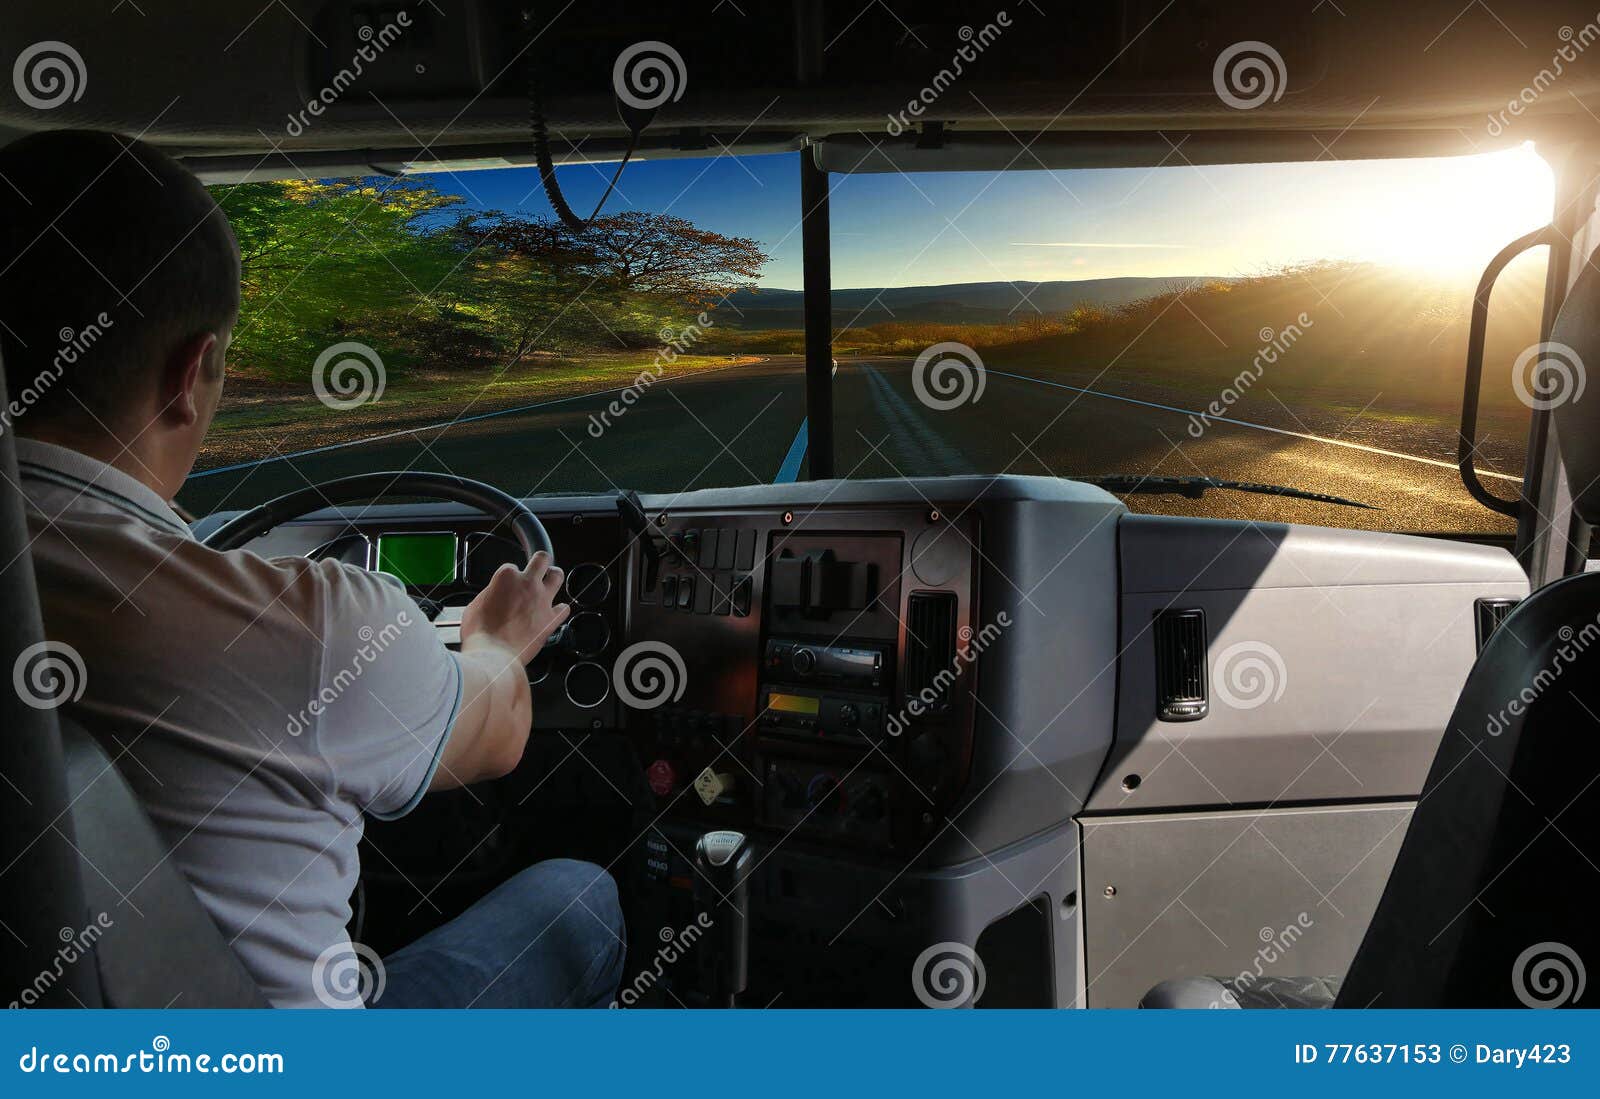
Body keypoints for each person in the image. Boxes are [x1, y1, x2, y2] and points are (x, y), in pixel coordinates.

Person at [0, 130, 624, 1008]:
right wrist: (495, 639)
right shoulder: (318, 622)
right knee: (579, 898)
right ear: (194, 373)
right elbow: (500, 731)